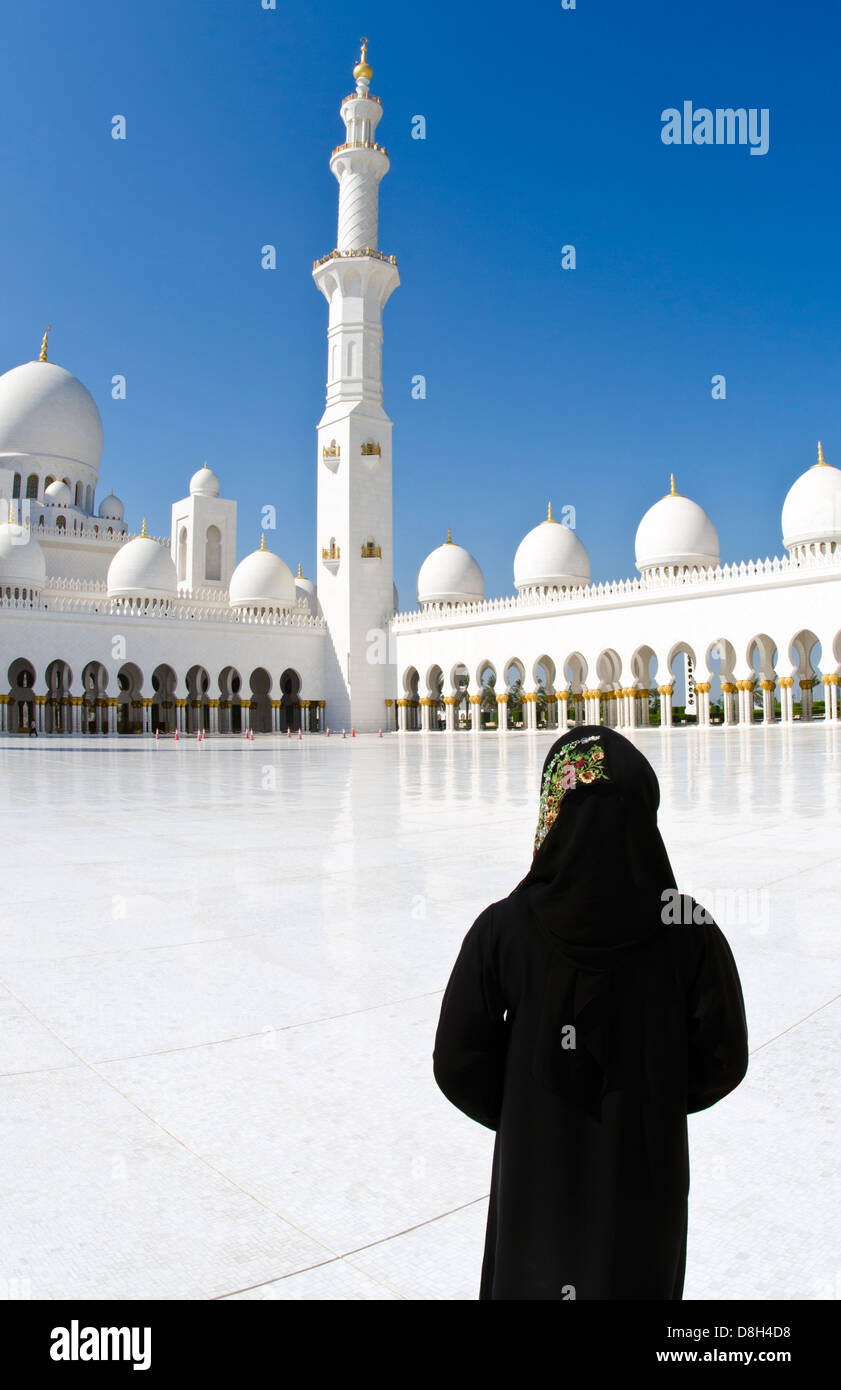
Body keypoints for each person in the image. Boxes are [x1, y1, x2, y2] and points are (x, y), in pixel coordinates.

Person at [433, 724, 748, 1300]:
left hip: (536, 1180)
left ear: (553, 810)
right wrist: (649, 1100)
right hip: (645, 1181)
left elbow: (456, 1062)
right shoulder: (688, 929)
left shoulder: (504, 929)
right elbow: (724, 1060)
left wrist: (531, 1109)